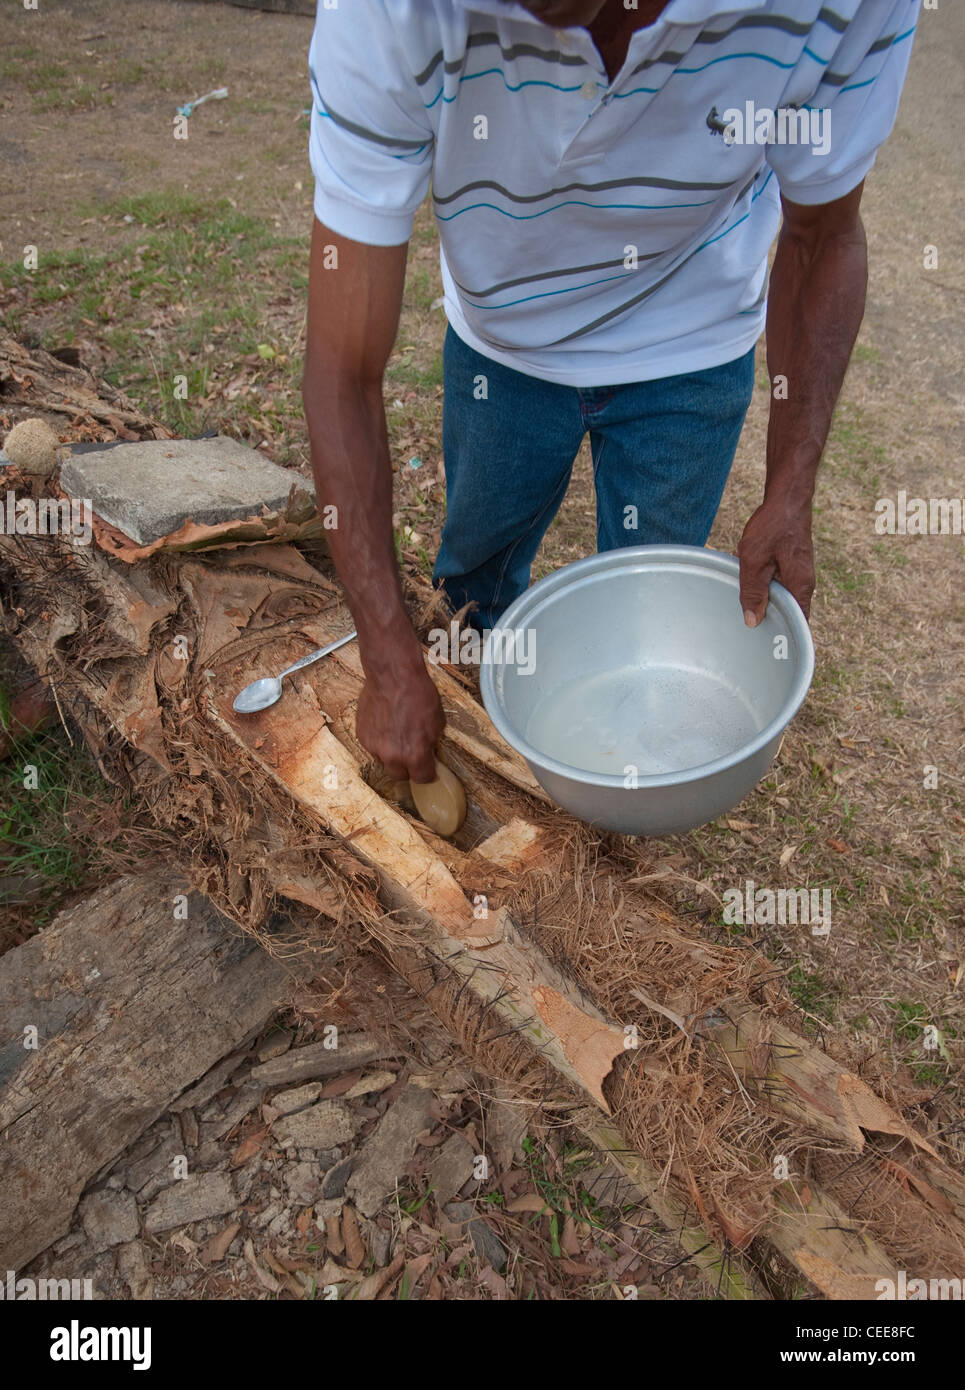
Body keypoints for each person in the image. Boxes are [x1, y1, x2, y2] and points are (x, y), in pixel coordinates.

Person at [301, 0, 920, 784]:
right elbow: (341, 366)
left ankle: (622, 794)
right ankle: (474, 729)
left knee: (648, 622)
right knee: (474, 587)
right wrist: (387, 658)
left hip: (691, 342)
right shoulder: (389, 11)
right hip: (504, 344)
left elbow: (824, 233)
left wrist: (791, 492)